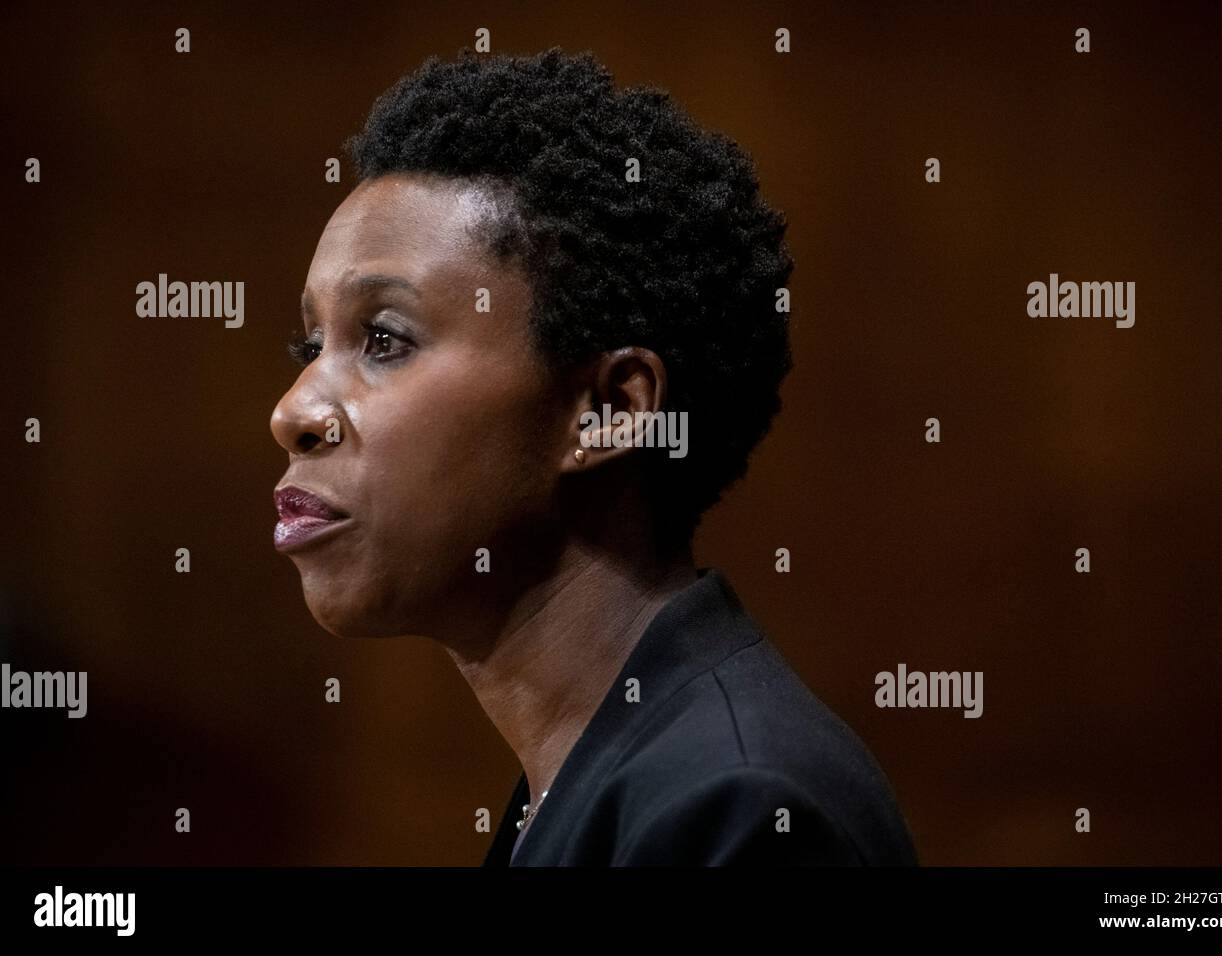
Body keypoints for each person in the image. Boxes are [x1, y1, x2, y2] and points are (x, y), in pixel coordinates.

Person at [269, 46, 917, 865]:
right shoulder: (596, 773)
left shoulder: (739, 810)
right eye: (309, 343)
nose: (293, 411)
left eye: (385, 340)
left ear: (608, 412)